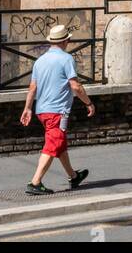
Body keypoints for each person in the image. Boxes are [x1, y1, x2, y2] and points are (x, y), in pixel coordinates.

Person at [20, 23, 95, 195]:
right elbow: (75, 86)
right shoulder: (66, 59)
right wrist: (88, 103)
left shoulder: (40, 61)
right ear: (66, 40)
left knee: (59, 144)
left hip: (41, 111)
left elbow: (32, 88)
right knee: (52, 145)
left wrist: (27, 108)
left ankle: (73, 176)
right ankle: (35, 182)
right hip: (57, 111)